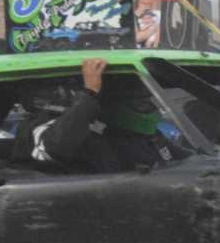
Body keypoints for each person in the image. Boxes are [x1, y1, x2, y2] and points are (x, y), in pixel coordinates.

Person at [15, 59, 185, 174]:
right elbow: (54, 147)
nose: (149, 107)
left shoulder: (147, 138)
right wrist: (90, 93)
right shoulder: (37, 128)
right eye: (139, 101)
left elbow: (185, 160)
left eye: (146, 100)